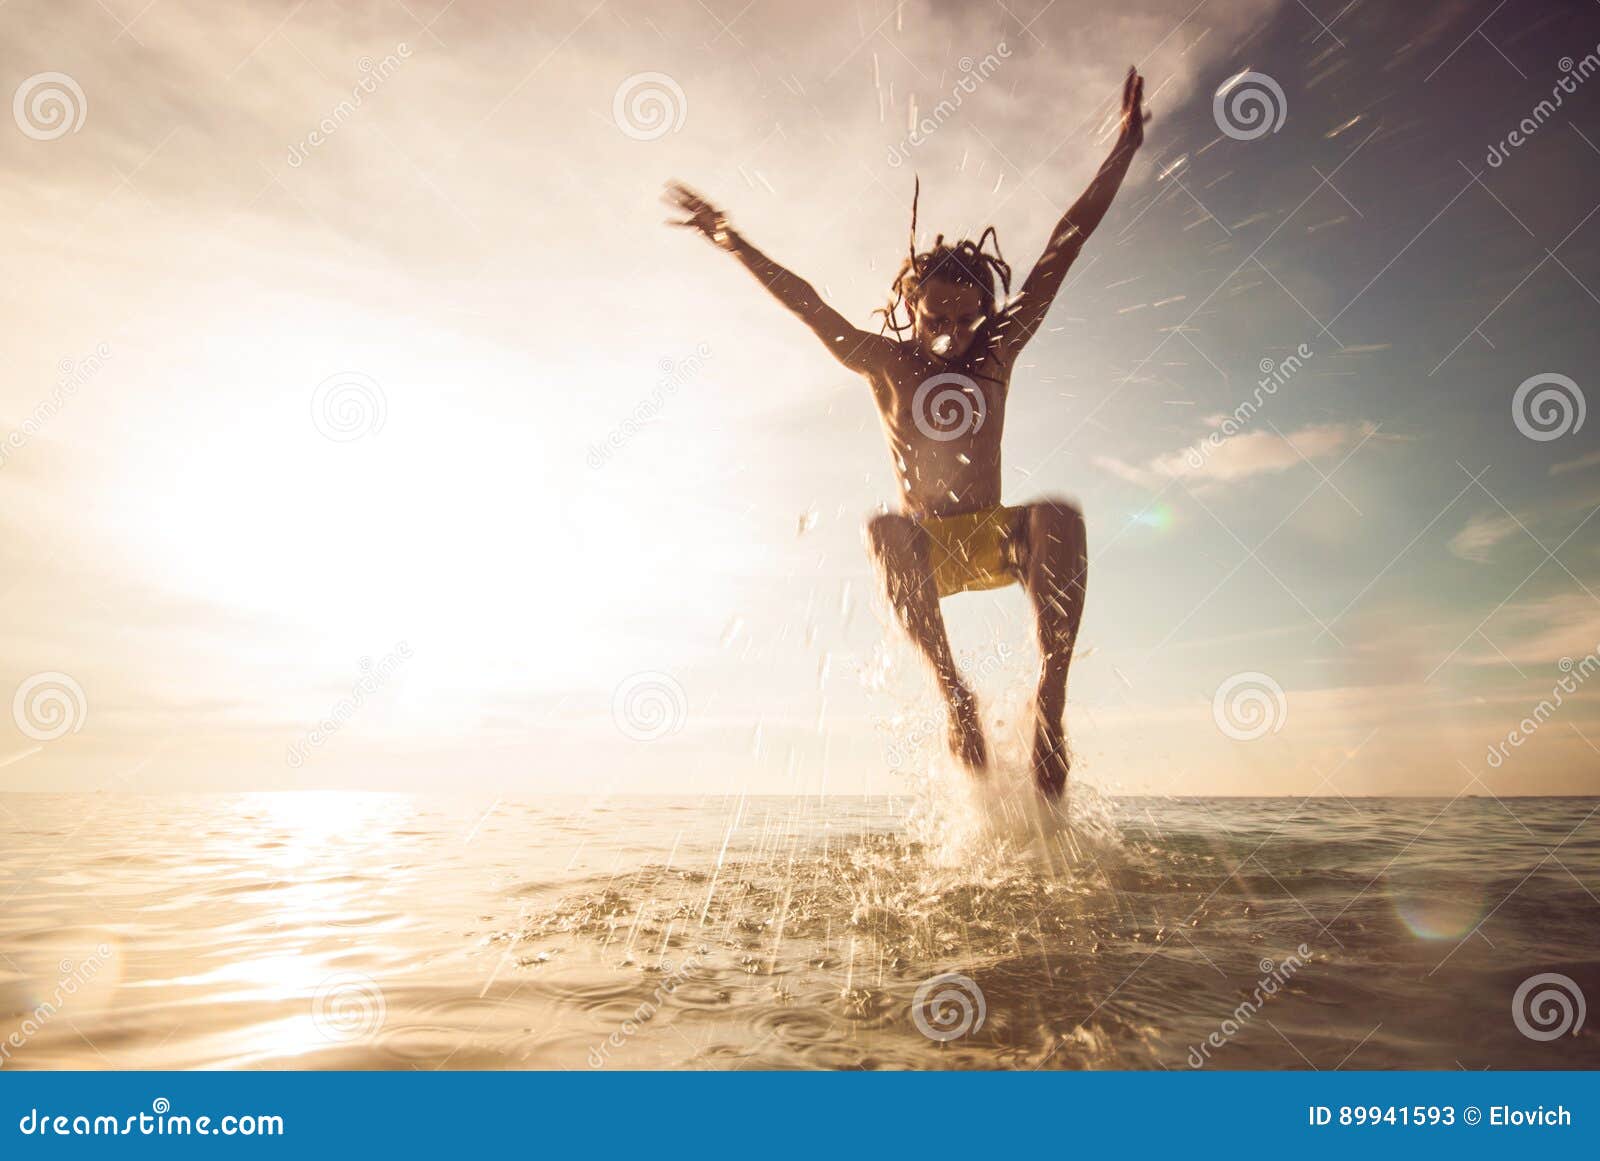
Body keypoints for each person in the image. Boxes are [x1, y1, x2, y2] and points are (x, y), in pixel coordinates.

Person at [665, 69, 1149, 799]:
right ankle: (955, 695)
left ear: (984, 316)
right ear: (912, 308)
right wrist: (733, 241)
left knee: (1059, 514)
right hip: (928, 552)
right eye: (936, 319)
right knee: (883, 529)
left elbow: (1063, 247)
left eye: (965, 320)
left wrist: (1124, 150)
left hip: (994, 539)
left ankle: (1050, 697)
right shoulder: (886, 363)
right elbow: (807, 301)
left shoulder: (998, 354)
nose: (951, 334)